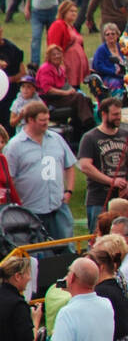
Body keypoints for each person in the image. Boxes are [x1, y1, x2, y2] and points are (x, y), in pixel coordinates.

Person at [4, 101, 77, 247]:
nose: (46, 124)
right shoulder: (14, 146)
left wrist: (69, 191)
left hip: (58, 207)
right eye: (42, 121)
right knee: (38, 252)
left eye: (47, 120)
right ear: (30, 120)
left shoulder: (56, 139)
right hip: (31, 210)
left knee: (66, 249)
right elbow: (8, 178)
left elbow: (70, 166)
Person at [78, 97, 128, 234]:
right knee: (99, 236)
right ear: (104, 114)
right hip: (99, 198)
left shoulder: (126, 135)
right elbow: (85, 166)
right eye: (115, 114)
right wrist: (112, 181)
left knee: (125, 236)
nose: (119, 118)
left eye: (119, 114)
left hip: (121, 200)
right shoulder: (90, 138)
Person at [35, 45, 95, 138]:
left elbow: (65, 85)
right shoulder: (46, 69)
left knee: (86, 99)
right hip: (50, 100)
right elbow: (48, 90)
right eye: (53, 54)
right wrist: (66, 93)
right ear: (49, 57)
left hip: (60, 97)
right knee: (78, 98)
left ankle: (79, 128)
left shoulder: (61, 69)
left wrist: (71, 90)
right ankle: (89, 125)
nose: (56, 56)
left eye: (58, 54)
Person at [91, 23, 127, 93]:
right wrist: (113, 71)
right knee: (115, 83)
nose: (110, 36)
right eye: (107, 34)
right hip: (107, 77)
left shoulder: (122, 48)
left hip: (123, 76)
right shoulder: (101, 50)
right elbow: (98, 66)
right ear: (104, 37)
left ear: (117, 35)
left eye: (113, 34)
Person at [0, 22, 23, 129]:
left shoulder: (12, 49)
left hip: (9, 94)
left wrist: (9, 80)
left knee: (7, 124)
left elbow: (23, 72)